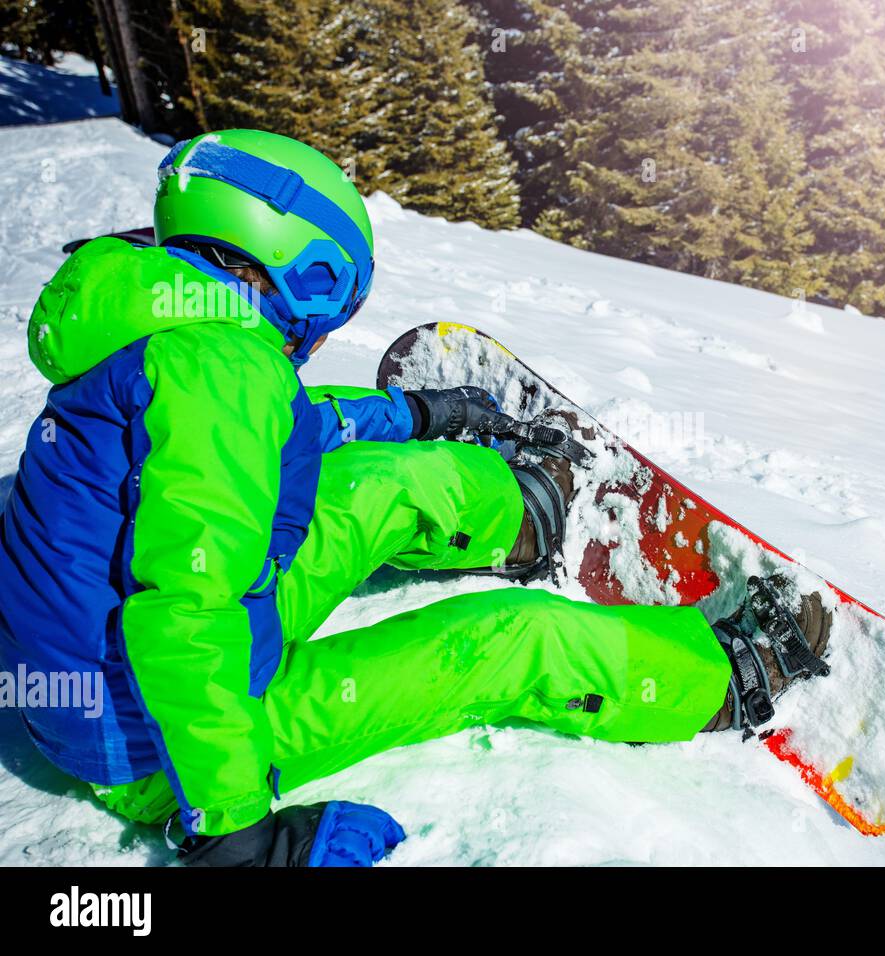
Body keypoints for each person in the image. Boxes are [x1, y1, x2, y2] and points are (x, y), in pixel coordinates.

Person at [0, 130, 827, 867]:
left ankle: (524, 519)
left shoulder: (165, 318)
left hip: (106, 683)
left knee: (377, 483)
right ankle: (721, 677)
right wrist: (238, 835)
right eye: (331, 297)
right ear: (295, 262)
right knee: (503, 642)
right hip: (160, 738)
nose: (321, 336)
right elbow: (185, 608)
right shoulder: (225, 364)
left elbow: (276, 432)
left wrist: (414, 416)